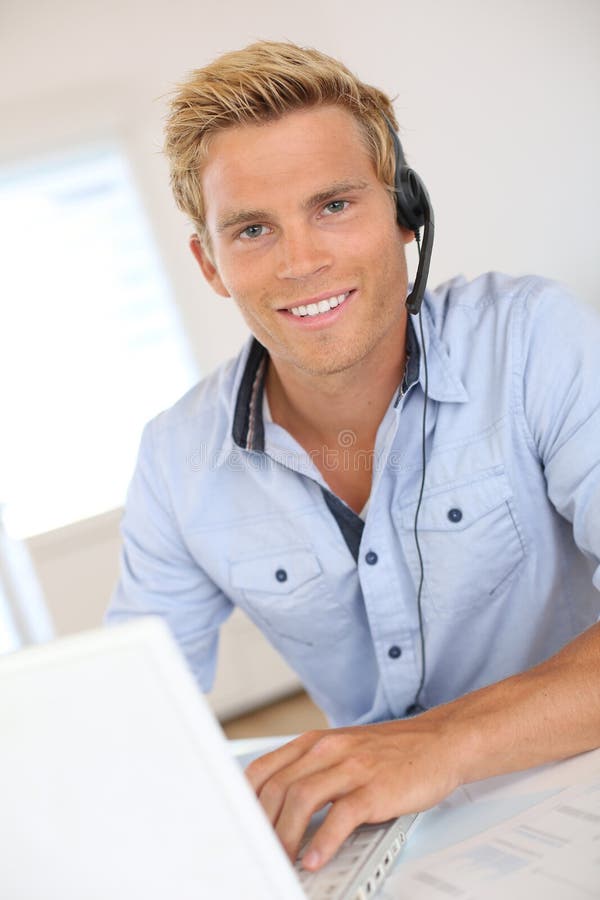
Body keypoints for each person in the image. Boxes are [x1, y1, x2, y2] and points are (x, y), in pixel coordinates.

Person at [106, 40, 600, 872]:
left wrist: (437, 745)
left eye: (333, 205)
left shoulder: (533, 342)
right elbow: (130, 722)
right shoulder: (174, 461)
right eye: (253, 228)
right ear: (210, 263)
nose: (301, 262)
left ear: (405, 211)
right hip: (383, 845)